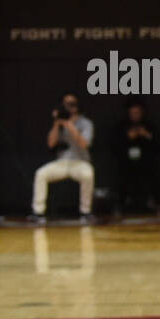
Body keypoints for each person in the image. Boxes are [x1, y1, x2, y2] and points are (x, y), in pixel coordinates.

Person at [31, 92, 94, 223]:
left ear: (77, 106)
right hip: (62, 162)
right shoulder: (58, 123)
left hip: (80, 161)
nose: (68, 108)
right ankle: (38, 213)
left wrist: (70, 125)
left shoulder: (85, 123)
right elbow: (51, 144)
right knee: (41, 173)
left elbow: (84, 144)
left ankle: (85, 212)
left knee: (88, 174)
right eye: (65, 104)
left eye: (71, 105)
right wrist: (56, 124)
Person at [113, 100, 160, 215]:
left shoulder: (149, 126)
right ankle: (121, 203)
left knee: (154, 173)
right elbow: (115, 145)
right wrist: (128, 137)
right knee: (122, 174)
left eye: (137, 112)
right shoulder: (122, 126)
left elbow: (159, 144)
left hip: (146, 162)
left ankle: (153, 202)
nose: (135, 115)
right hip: (126, 162)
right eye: (133, 113)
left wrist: (146, 135)